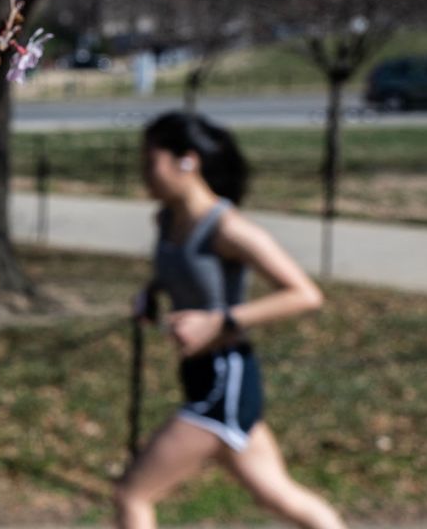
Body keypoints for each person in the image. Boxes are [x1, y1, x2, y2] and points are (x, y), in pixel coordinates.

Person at [116, 111, 346, 529]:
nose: (144, 174)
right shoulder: (167, 219)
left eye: (151, 162)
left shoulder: (228, 228)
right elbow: (180, 271)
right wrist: (151, 293)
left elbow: (305, 295)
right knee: (278, 496)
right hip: (201, 374)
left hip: (228, 377)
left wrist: (218, 321)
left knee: (133, 494)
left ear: (188, 161)